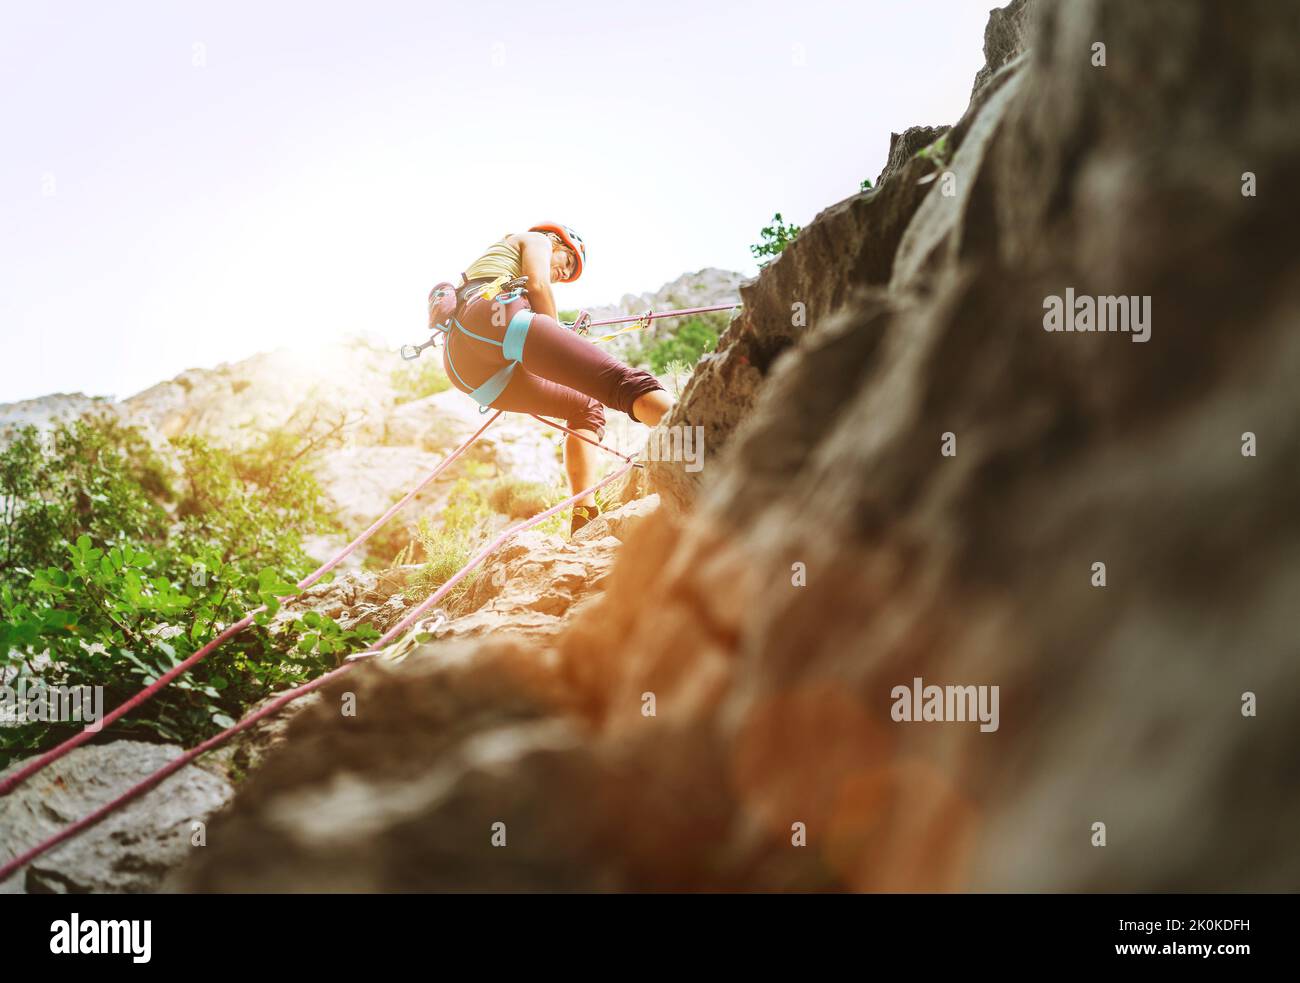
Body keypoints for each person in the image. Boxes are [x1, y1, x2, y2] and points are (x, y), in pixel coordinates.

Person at [436, 223, 672, 534]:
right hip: (494, 314)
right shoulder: (535, 239)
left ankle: (583, 513)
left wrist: (554, 340)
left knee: (586, 407)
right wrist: (557, 334)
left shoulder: (498, 267)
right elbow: (538, 284)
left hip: (468, 370)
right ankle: (702, 444)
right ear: (555, 241)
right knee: (621, 383)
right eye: (568, 261)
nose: (565, 272)